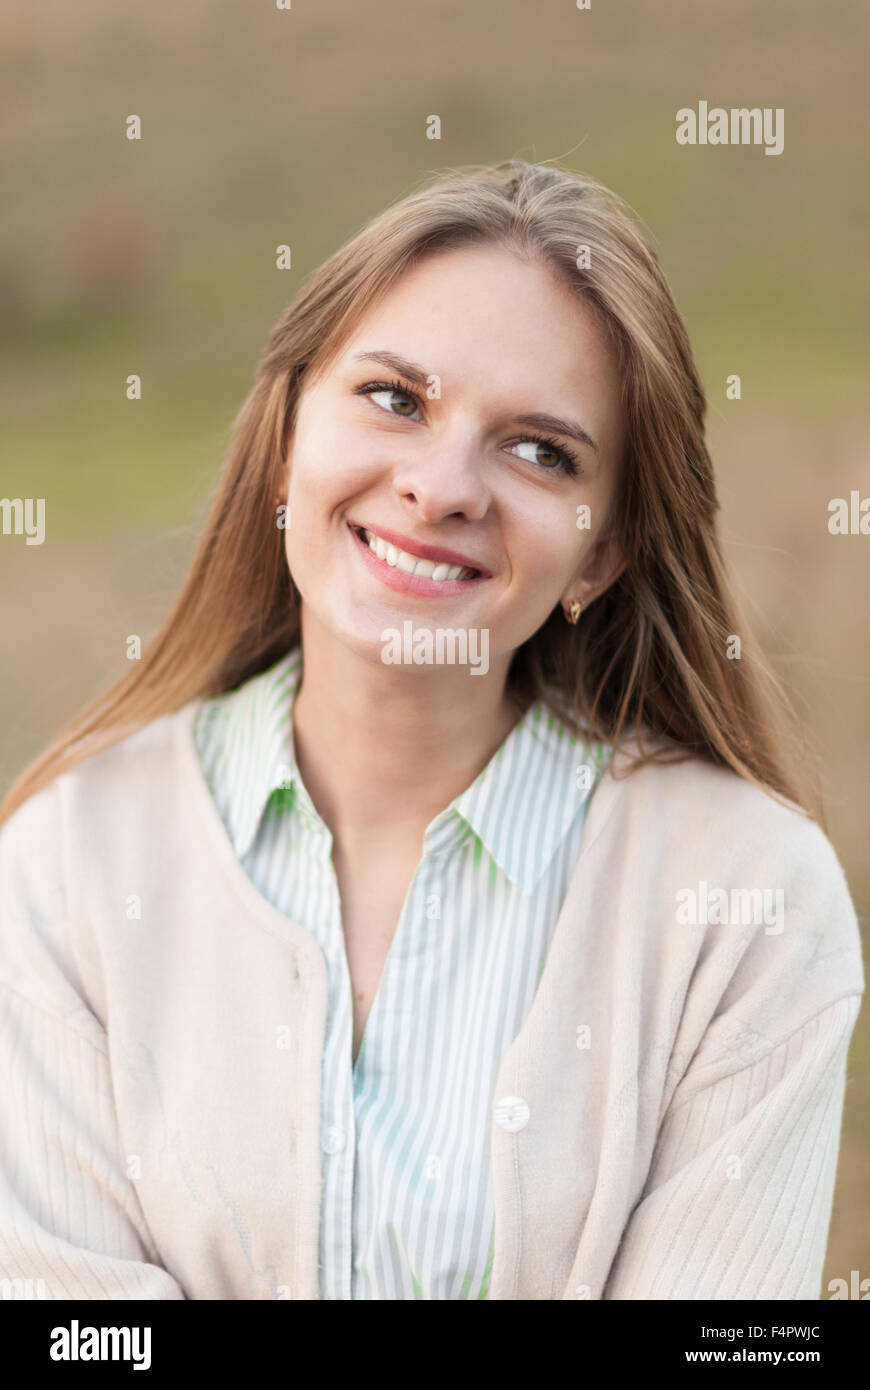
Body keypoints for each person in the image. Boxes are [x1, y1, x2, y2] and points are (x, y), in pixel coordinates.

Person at [0, 160, 863, 1300]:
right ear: (286, 437)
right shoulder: (66, 865)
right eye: (396, 398)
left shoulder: (749, 900)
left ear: (600, 554)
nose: (442, 484)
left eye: (540, 450)